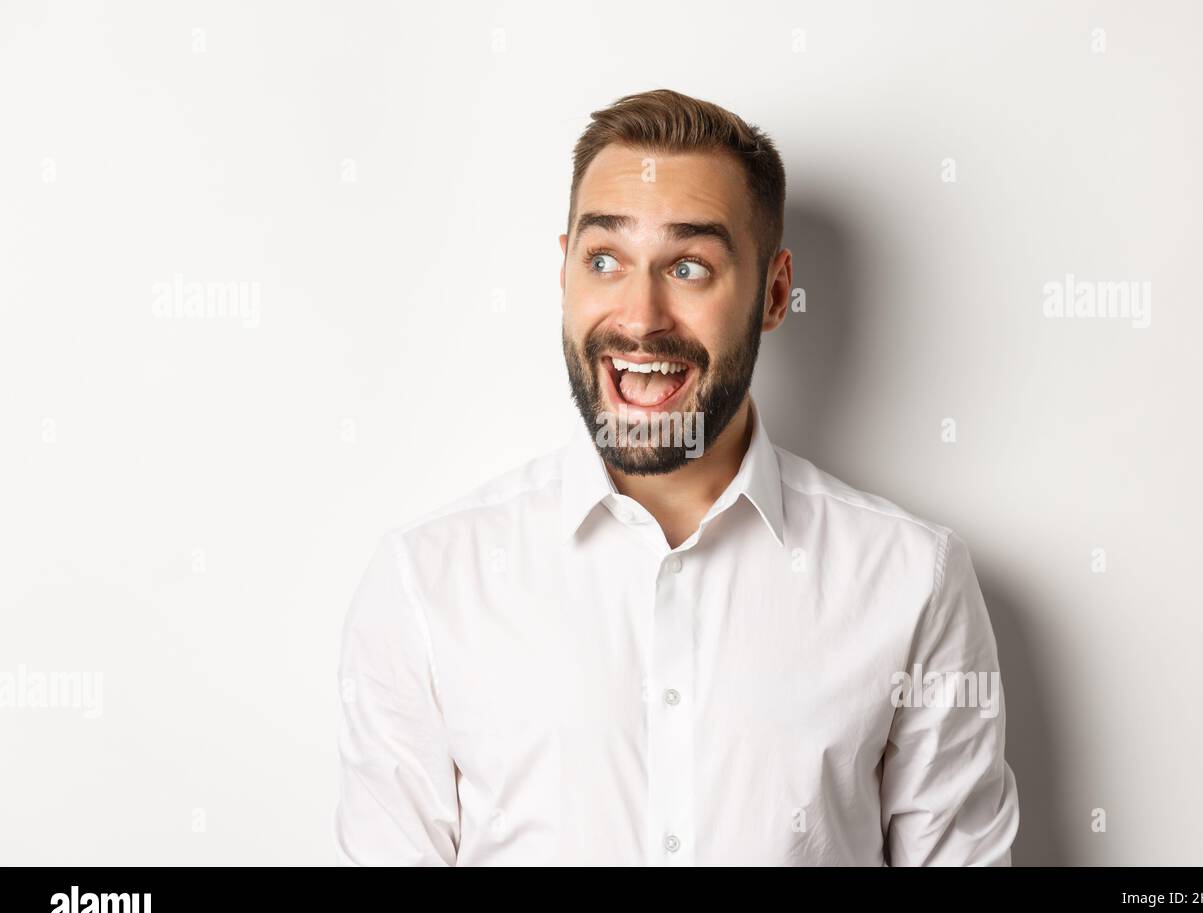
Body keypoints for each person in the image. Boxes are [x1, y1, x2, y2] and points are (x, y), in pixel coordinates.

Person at [333, 88, 1019, 865]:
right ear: (564, 273)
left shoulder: (912, 580)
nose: (640, 315)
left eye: (689, 266)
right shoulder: (427, 585)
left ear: (774, 291)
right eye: (604, 260)